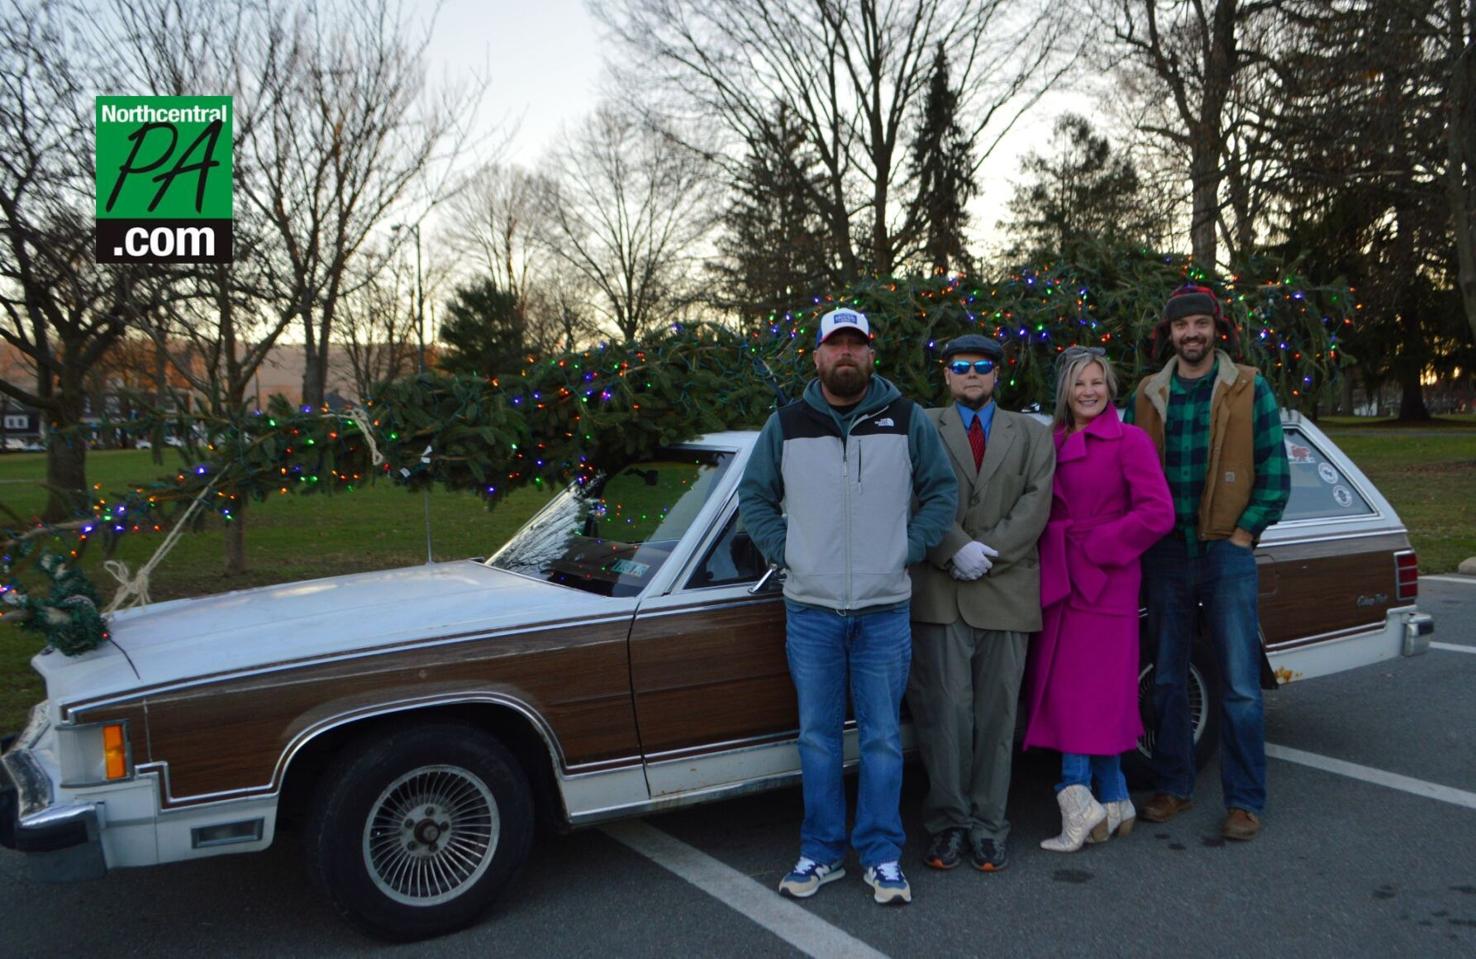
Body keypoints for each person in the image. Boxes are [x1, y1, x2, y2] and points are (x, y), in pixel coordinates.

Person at [739, 307, 957, 906]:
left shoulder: (906, 419)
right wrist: (789, 553)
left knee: (884, 738)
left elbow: (942, 492)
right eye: (834, 345)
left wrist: (905, 549)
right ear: (816, 356)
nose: (845, 355)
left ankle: (883, 854)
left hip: (884, 609)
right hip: (810, 610)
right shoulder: (787, 423)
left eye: (855, 345)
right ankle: (823, 852)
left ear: (870, 353)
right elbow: (753, 495)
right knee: (817, 738)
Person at [1123, 285, 1290, 841]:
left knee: (1240, 684)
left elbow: (1273, 470)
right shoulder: (1147, 394)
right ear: (1167, 335)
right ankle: (1174, 785)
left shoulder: (1248, 386)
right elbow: (1123, 471)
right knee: (1167, 679)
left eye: (1200, 324)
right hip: (1166, 552)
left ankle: (1244, 800)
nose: (1191, 334)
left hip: (1226, 550)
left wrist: (1246, 531)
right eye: (1180, 327)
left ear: (1217, 328)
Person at [907, 334, 1054, 874]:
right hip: (940, 593)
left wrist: (988, 553)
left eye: (982, 366)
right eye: (960, 366)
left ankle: (990, 827)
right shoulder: (920, 426)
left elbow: (1038, 502)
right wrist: (953, 549)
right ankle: (948, 826)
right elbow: (912, 494)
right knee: (942, 718)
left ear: (997, 374)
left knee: (997, 719)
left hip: (1006, 590)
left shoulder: (1032, 434)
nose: (972, 374)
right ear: (946, 375)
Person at [1022, 347, 1174, 852]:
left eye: (1098, 382)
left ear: (1111, 388)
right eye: (1079, 383)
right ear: (1065, 390)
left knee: (1086, 697)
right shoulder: (1051, 439)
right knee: (1082, 695)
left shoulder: (1130, 441)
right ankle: (1115, 799)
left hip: (1104, 580)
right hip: (1060, 578)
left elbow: (1158, 512)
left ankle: (1077, 803)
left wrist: (1101, 545)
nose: (1089, 391)